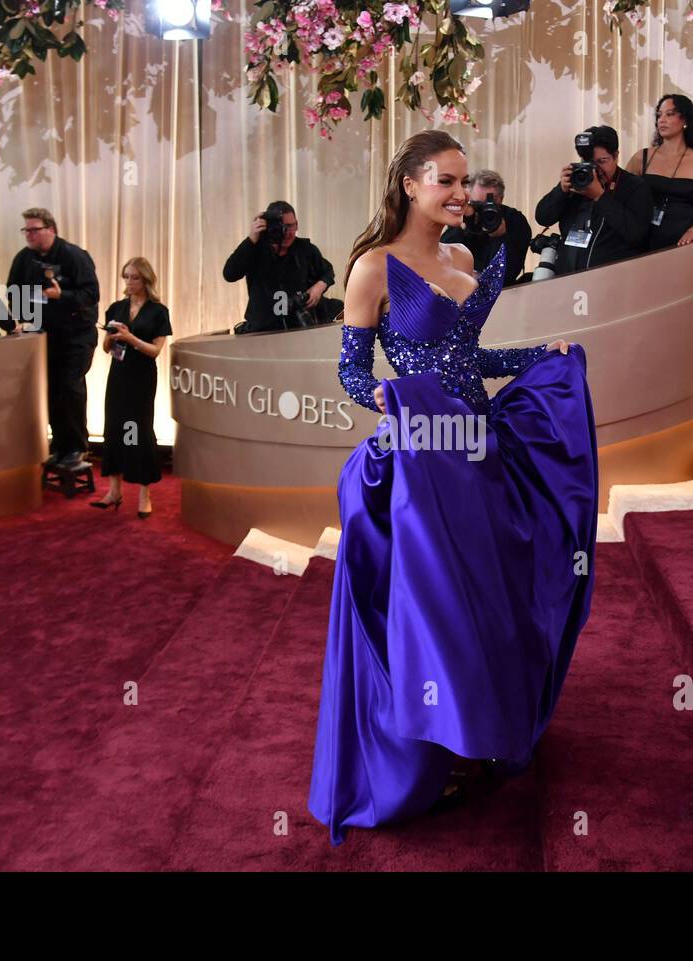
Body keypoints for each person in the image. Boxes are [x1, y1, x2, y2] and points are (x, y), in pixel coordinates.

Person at [309, 130, 599, 845]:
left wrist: (540, 352)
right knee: (436, 613)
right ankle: (432, 750)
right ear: (410, 183)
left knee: (492, 600)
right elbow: (349, 373)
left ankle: (480, 730)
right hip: (420, 459)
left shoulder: (464, 258)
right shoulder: (371, 268)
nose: (463, 194)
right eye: (448, 181)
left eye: (466, 182)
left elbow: (471, 357)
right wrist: (394, 399)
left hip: (478, 448)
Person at [5, 207, 100, 471]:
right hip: (42, 336)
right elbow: (14, 292)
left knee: (70, 387)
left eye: (34, 229)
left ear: (51, 230)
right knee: (50, 390)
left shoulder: (74, 256)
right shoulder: (23, 259)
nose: (29, 235)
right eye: (26, 230)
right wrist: (24, 318)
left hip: (75, 336)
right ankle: (59, 445)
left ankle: (78, 447)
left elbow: (91, 295)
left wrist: (63, 296)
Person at [91, 257, 172, 519]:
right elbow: (106, 348)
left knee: (139, 431)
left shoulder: (158, 312)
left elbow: (155, 351)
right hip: (118, 375)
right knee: (114, 429)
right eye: (125, 276)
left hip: (142, 378)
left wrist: (130, 337)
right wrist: (113, 337)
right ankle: (114, 491)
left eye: (134, 277)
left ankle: (144, 494)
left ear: (146, 279)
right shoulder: (116, 308)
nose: (129, 282)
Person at [534, 124, 653, 273]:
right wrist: (561, 190)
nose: (595, 169)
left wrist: (600, 196)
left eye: (602, 161)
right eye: (589, 162)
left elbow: (636, 234)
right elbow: (542, 218)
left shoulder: (634, 186)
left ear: (616, 156)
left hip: (612, 279)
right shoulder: (578, 180)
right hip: (568, 279)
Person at [222, 201, 343, 333]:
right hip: (263, 329)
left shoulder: (305, 249)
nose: (287, 232)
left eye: (291, 226)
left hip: (299, 327)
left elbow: (327, 272)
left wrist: (319, 287)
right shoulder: (254, 249)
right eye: (282, 227)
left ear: (297, 225)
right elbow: (229, 274)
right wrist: (252, 238)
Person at [628, 94, 693, 249]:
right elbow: (621, 194)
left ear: (684, 120)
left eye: (669, 114)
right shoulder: (642, 157)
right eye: (659, 115)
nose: (661, 120)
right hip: (642, 239)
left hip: (682, 243)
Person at [438, 169, 532, 286]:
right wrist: (461, 228)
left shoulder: (514, 221)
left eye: (489, 204)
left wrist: (499, 237)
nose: (483, 211)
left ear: (500, 199)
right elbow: (442, 262)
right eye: (477, 204)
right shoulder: (465, 218)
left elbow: (505, 277)